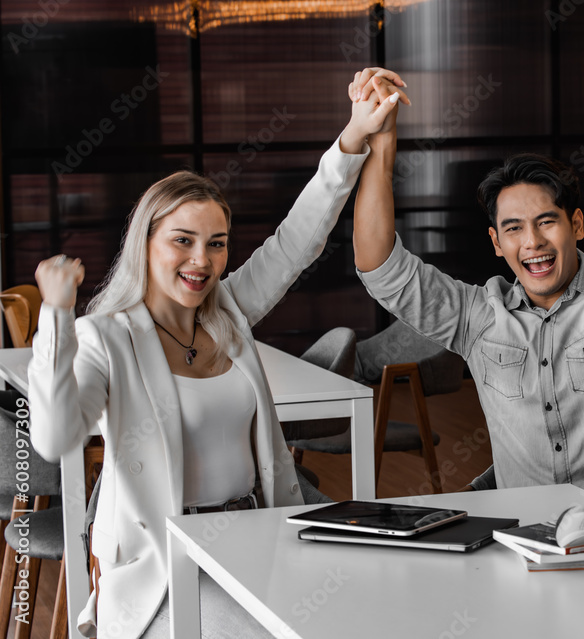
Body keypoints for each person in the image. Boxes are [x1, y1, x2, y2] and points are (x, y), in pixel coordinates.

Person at [27, 80, 403, 638]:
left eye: (217, 243)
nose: (201, 261)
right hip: (167, 568)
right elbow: (56, 439)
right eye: (182, 240)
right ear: (146, 242)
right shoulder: (104, 336)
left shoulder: (227, 311)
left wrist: (354, 134)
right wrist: (55, 317)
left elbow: (296, 241)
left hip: (258, 540)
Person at [347, 62, 584, 501]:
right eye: (513, 229)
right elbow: (379, 266)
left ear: (577, 225)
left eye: (547, 222)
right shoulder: (478, 318)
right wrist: (381, 141)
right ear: (496, 242)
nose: (532, 242)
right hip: (523, 549)